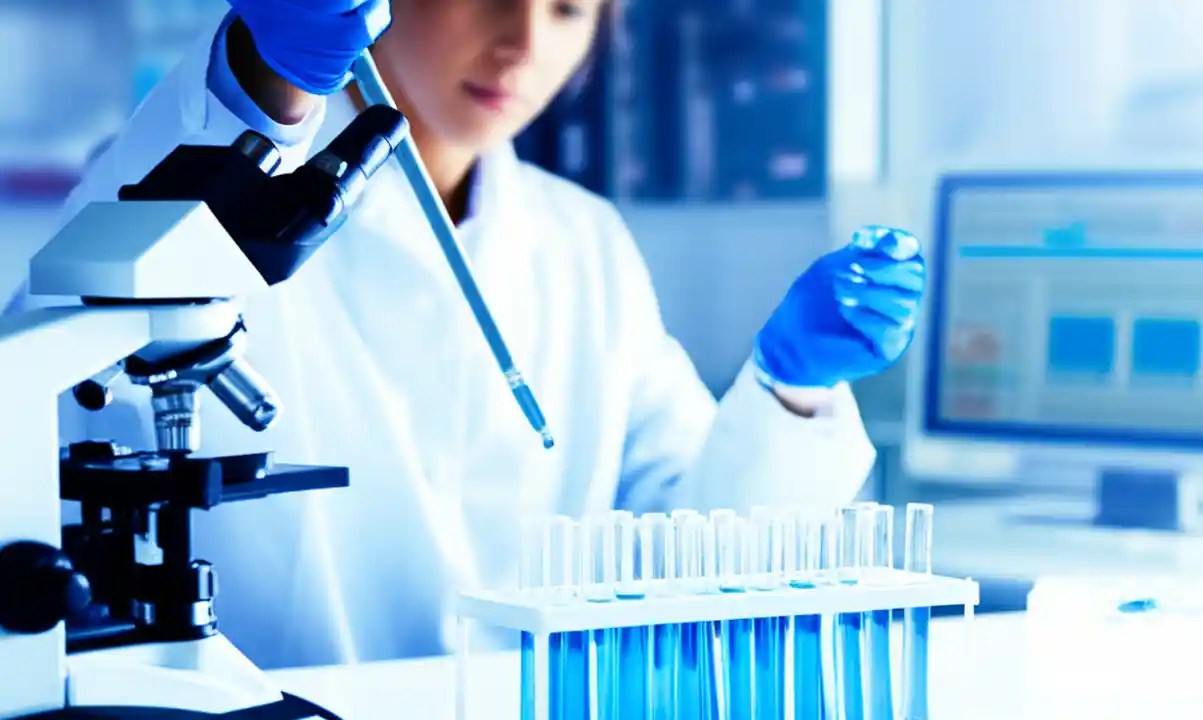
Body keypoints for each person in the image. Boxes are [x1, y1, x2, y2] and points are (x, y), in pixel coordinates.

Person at [17, 0, 925, 669]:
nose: (524, 42)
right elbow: (103, 265)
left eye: (570, 10)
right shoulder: (232, 195)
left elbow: (692, 549)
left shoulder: (584, 244)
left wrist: (789, 389)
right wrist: (261, 80)